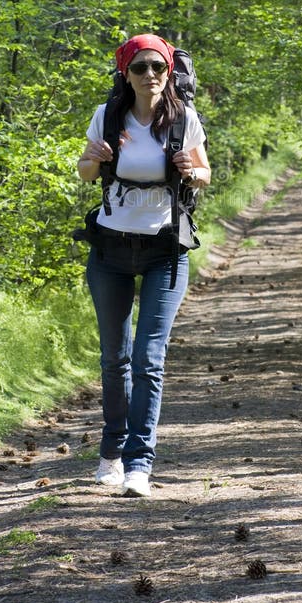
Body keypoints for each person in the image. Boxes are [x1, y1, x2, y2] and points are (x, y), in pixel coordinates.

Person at [77, 34, 211, 497]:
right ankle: (111, 454)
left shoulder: (183, 118)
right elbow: (87, 171)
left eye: (158, 66)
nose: (150, 75)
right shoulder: (108, 115)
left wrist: (192, 172)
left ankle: (139, 465)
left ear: (169, 71)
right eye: (140, 68)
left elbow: (204, 172)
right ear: (126, 73)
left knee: (148, 361)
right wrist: (91, 159)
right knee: (115, 360)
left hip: (164, 250)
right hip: (110, 249)